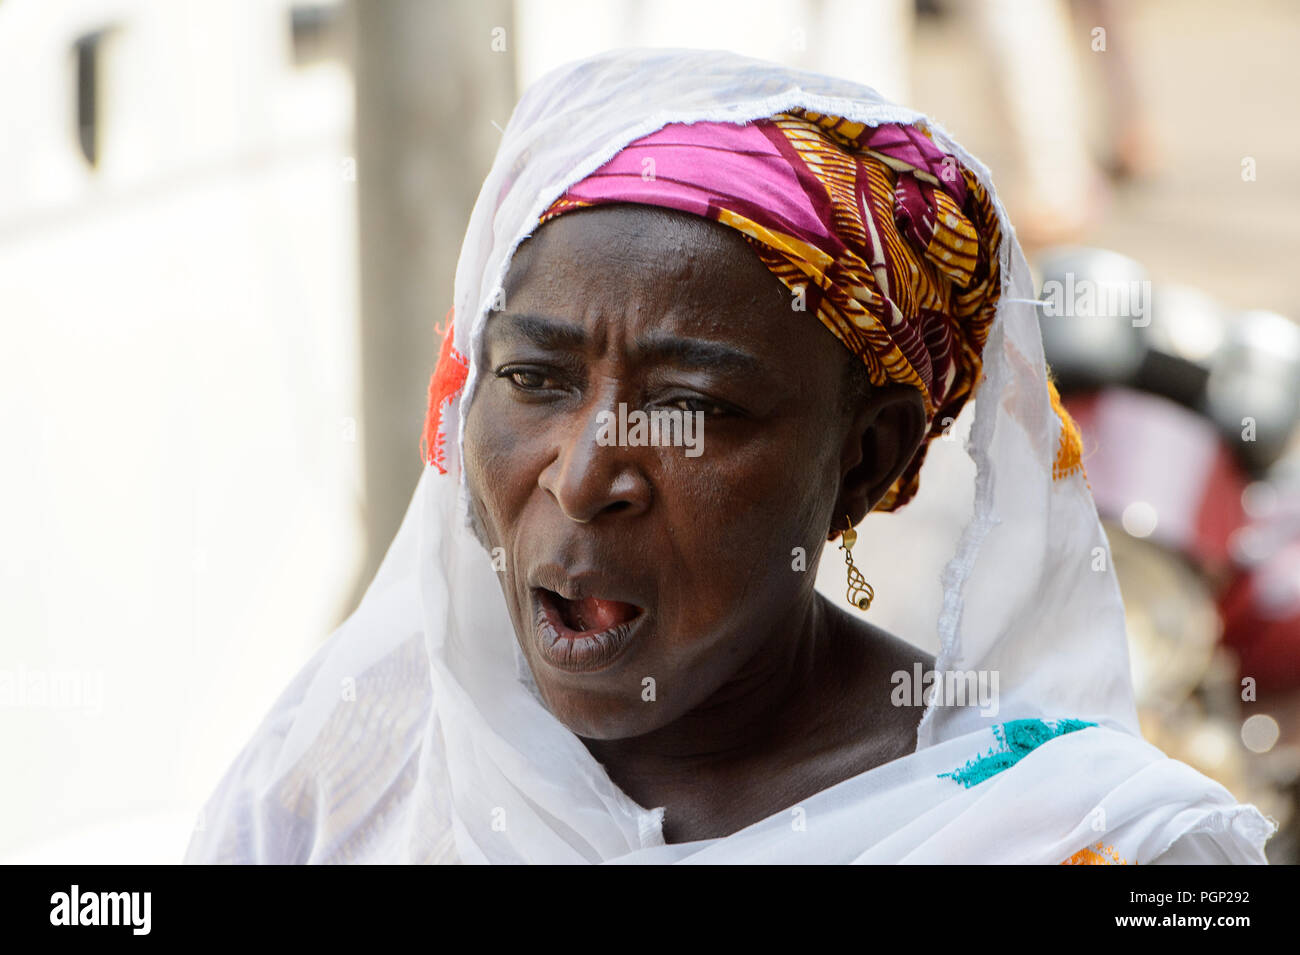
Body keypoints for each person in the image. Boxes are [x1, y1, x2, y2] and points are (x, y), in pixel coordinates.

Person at [185, 48, 1274, 864]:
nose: (580, 476)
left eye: (691, 405)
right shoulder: (361, 770)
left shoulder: (1085, 839)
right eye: (534, 379)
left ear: (865, 457)